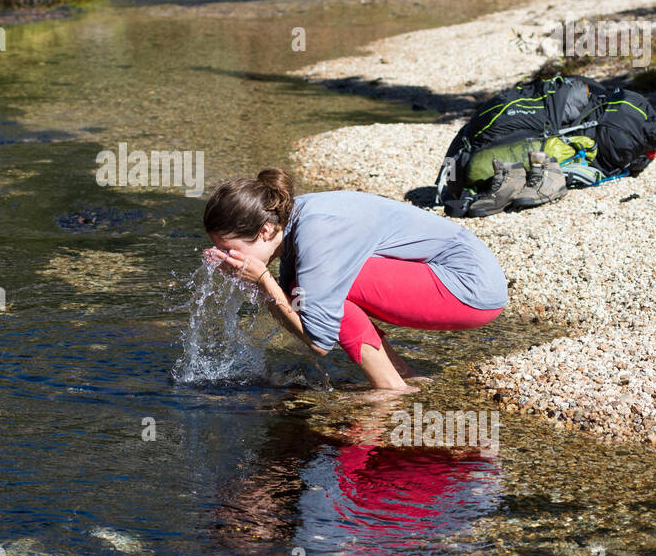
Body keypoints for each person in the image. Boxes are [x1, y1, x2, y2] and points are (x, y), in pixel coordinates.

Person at [203, 168, 508, 394]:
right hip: (460, 280)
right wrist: (262, 283)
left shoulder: (317, 232)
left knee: (332, 287)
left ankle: (391, 389)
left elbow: (319, 341)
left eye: (229, 248)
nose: (224, 255)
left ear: (265, 232)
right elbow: (295, 308)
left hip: (471, 289)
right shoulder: (290, 218)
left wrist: (264, 280)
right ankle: (405, 375)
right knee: (312, 289)